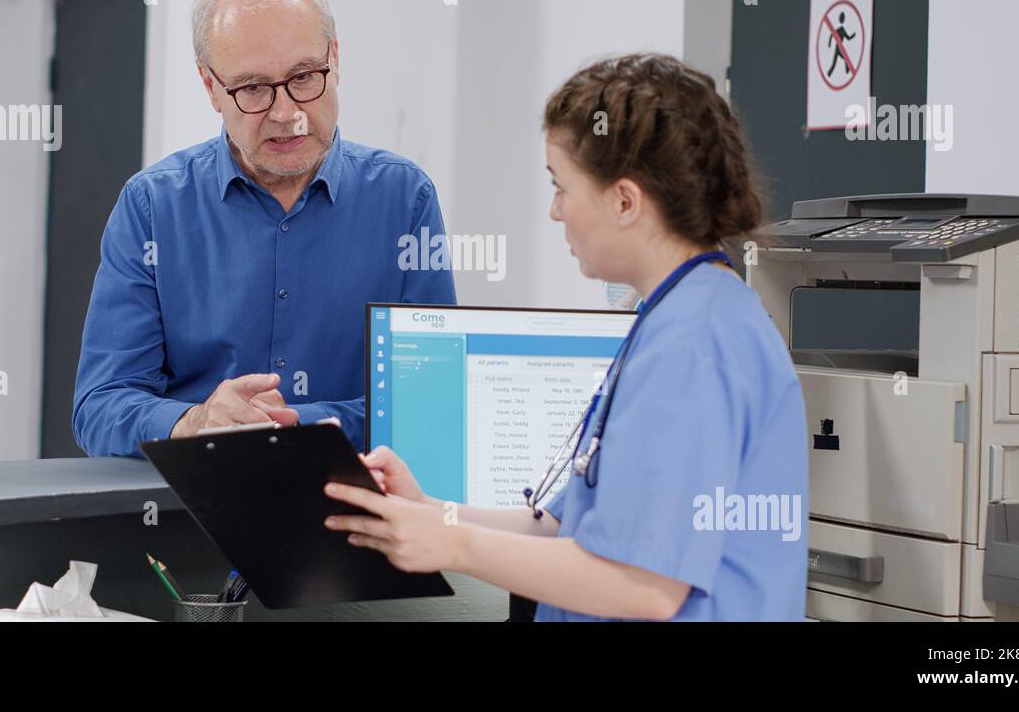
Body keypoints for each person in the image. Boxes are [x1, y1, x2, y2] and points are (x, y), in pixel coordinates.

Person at [326, 53, 808, 621]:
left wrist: (451, 545)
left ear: (625, 201)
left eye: (562, 188)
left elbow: (645, 587)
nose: (554, 212)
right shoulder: (668, 319)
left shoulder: (695, 345)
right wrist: (431, 510)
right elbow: (561, 526)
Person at [73, 0, 455, 457]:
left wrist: (298, 425)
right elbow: (99, 407)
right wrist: (195, 422)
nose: (286, 112)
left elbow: (432, 401)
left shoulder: (405, 200)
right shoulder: (152, 207)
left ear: (334, 60)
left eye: (303, 78)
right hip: (188, 519)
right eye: (253, 88)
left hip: (355, 520)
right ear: (210, 86)